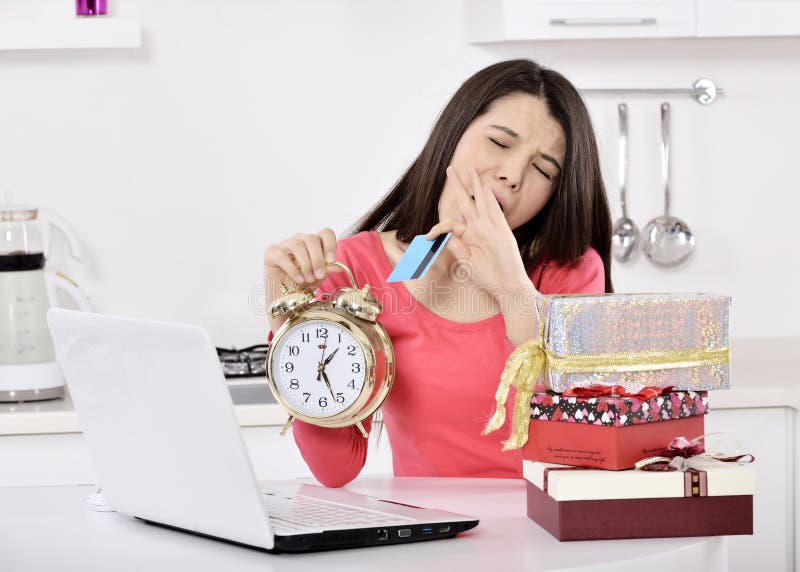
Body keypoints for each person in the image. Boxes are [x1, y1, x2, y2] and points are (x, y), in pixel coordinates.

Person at [263, 59, 613, 487]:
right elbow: (335, 471)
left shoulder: (570, 275)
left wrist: (512, 287)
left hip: (547, 527)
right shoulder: (360, 269)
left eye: (543, 170)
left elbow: (583, 446)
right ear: (452, 135)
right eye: (500, 143)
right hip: (429, 536)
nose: (513, 174)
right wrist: (289, 323)